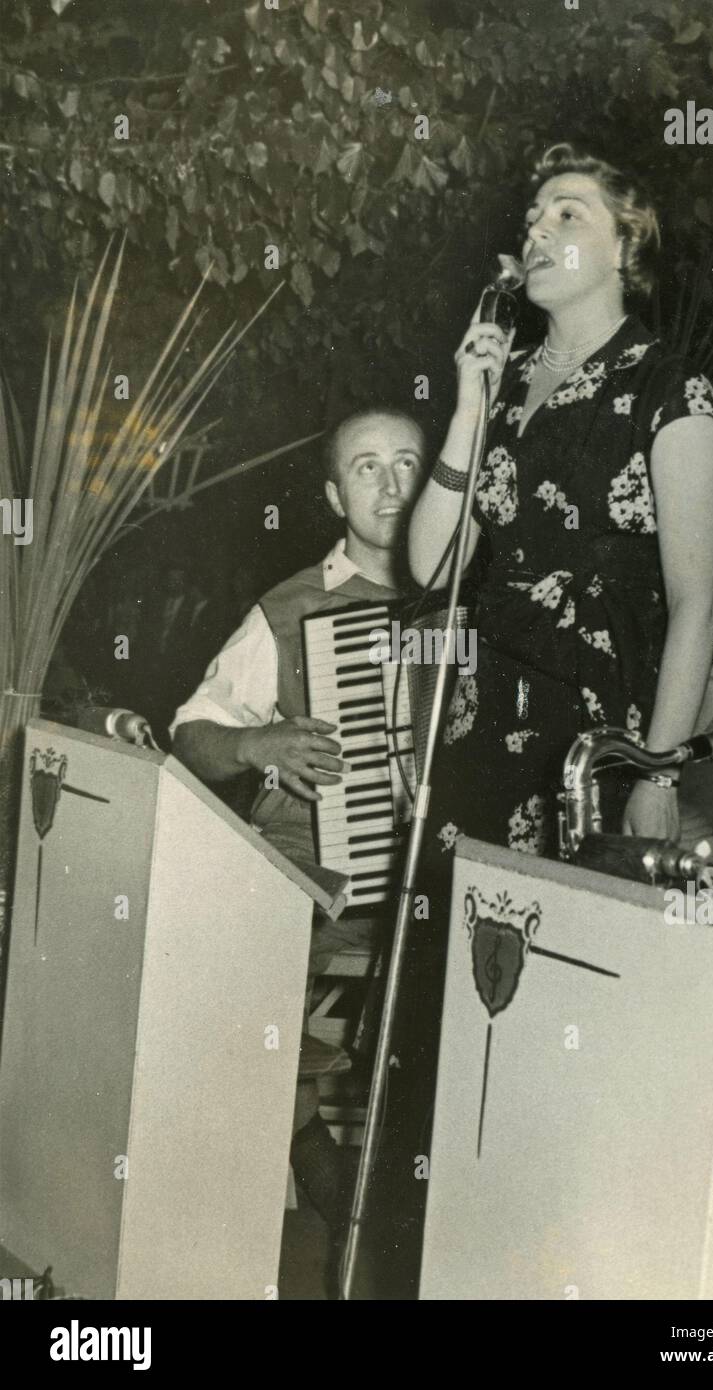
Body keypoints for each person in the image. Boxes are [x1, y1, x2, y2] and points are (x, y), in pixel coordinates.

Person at [409, 141, 713, 867]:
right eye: (531, 222)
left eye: (567, 215)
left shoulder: (669, 392)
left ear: (624, 247)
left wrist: (657, 770)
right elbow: (431, 565)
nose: (537, 234)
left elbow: (693, 605)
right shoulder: (506, 381)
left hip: (597, 740)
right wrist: (466, 412)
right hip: (480, 713)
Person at [171, 408, 425, 1235]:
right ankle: (314, 1151)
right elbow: (191, 733)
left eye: (407, 464)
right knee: (223, 969)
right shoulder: (290, 609)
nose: (391, 486)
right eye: (365, 468)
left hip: (435, 874)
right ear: (331, 493)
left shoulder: (467, 599)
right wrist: (257, 740)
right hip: (309, 867)